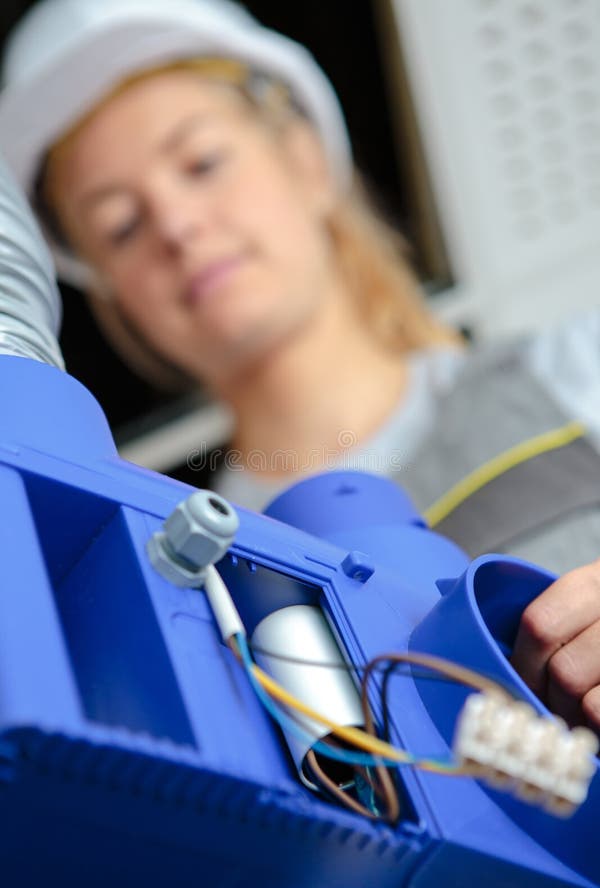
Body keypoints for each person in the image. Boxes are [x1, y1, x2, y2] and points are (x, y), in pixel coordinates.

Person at [2, 0, 600, 735]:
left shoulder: (575, 378)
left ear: (307, 161)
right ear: (116, 298)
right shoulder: (174, 569)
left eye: (201, 162)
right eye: (121, 224)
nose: (178, 226)